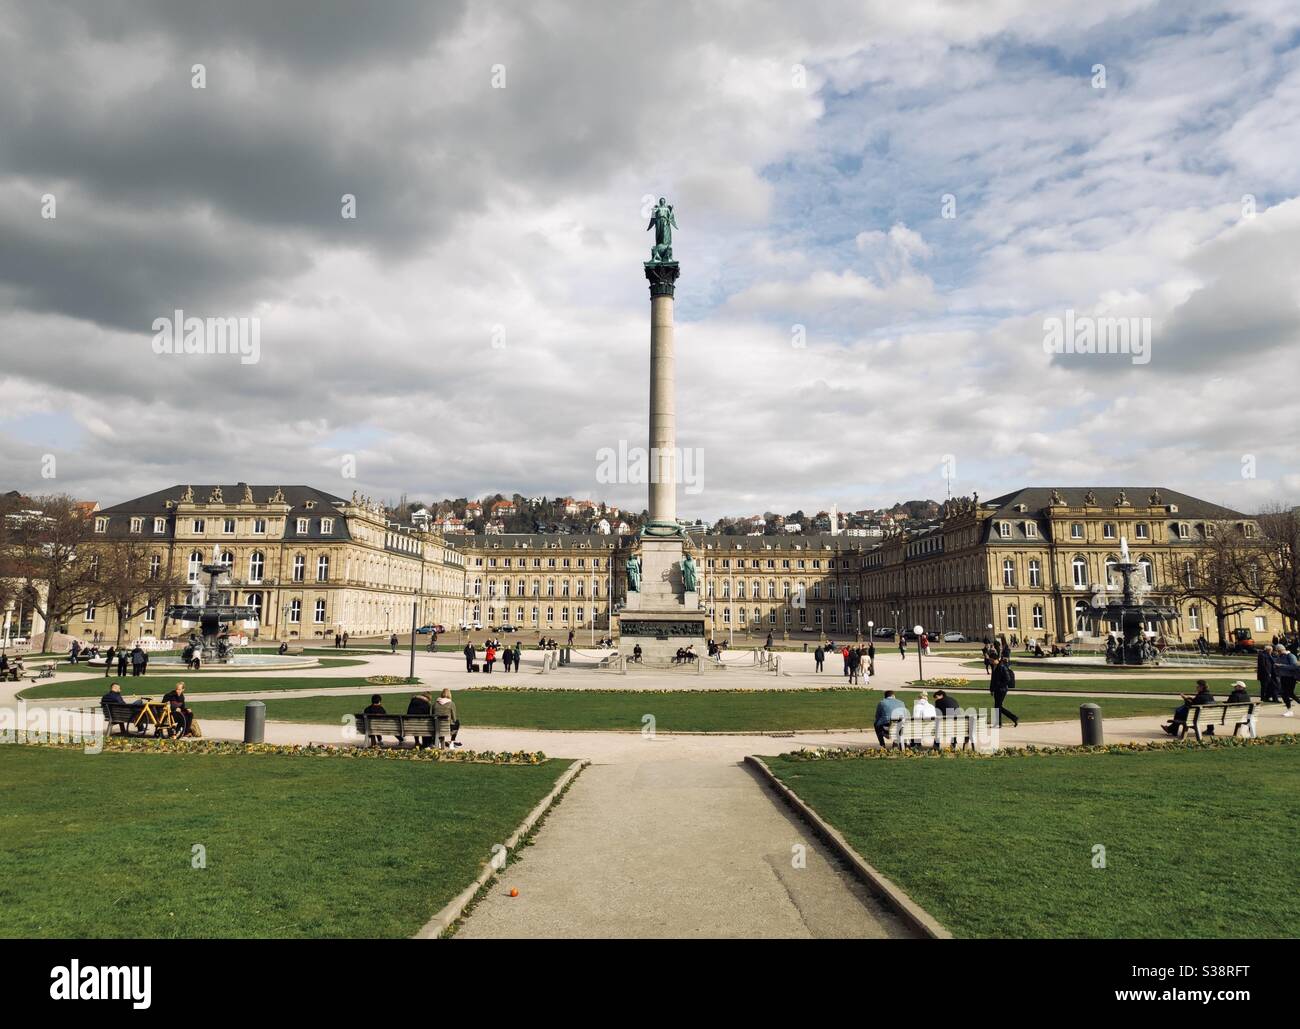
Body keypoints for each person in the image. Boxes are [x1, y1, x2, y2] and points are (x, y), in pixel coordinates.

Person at [989, 655, 1019, 728]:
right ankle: (1013, 718)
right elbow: (993, 679)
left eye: (992, 660)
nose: (991, 662)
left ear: (997, 660)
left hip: (1002, 690)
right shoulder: (993, 667)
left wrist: (999, 685)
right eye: (990, 661)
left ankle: (1000, 722)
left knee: (997, 706)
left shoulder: (1002, 667)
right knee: (998, 707)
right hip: (996, 689)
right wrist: (991, 689)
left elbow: (1008, 679)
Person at [1273, 645, 1299, 716]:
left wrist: (1281, 666)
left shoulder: (1290, 656)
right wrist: (1276, 668)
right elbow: (1278, 666)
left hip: (1291, 677)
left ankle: (1290, 710)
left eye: (1278, 651)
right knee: (1283, 693)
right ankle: (1289, 710)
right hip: (1283, 677)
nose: (1277, 653)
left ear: (1280, 650)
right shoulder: (1280, 657)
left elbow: (1294, 666)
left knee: (1290, 693)